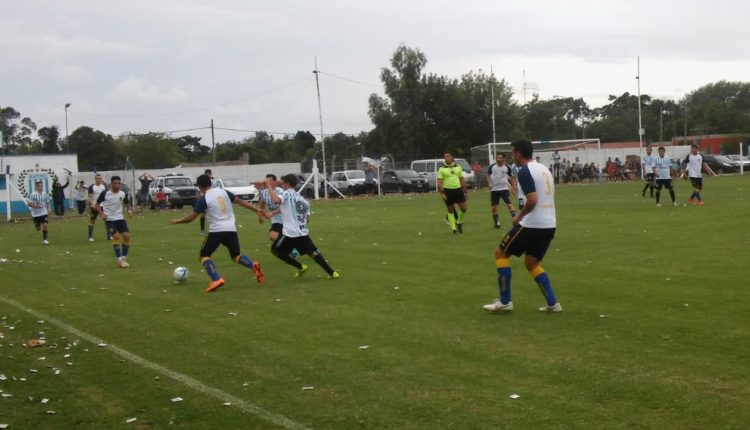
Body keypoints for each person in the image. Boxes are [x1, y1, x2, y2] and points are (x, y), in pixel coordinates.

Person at [483, 139, 562, 313]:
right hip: (549, 223)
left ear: (518, 153)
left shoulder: (525, 171)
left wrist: (519, 216)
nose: (512, 156)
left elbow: (533, 199)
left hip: (532, 224)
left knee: (500, 253)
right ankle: (553, 303)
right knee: (531, 262)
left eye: (513, 153)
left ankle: (505, 301)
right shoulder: (544, 169)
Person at [170, 174, 265, 292]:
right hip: (231, 229)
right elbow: (240, 202)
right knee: (236, 255)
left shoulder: (204, 198)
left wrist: (177, 221)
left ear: (199, 186)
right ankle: (253, 265)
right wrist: (257, 210)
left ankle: (216, 279)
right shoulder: (223, 192)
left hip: (216, 230)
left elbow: (191, 218)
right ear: (210, 182)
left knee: (204, 256)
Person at [265, 174, 339, 279]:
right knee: (313, 253)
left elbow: (276, 200)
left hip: (290, 234)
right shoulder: (302, 199)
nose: (282, 186)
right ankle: (332, 273)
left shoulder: (287, 193)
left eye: (283, 183)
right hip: (302, 233)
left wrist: (269, 186)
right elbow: (308, 219)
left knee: (275, 251)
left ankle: (300, 267)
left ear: (287, 184)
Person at [95, 176, 133, 268]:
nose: (117, 185)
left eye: (118, 183)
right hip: (109, 219)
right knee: (116, 236)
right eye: (115, 183)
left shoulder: (122, 193)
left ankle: (123, 258)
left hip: (120, 218)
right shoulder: (105, 193)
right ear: (111, 184)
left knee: (127, 237)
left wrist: (129, 210)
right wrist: (102, 214)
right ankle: (119, 259)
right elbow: (97, 205)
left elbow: (127, 203)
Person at [437, 151, 468, 234]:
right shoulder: (442, 168)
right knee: (450, 210)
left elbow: (461, 179)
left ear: (452, 157)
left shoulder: (458, 167)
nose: (446, 158)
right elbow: (439, 181)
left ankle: (459, 222)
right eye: (445, 157)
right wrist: (442, 193)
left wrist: (465, 190)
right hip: (447, 191)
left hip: (458, 190)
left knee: (464, 208)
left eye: (448, 156)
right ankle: (454, 229)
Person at [487, 153, 517, 229]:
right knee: (494, 208)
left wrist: (513, 188)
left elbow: (512, 177)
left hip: (504, 189)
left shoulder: (507, 167)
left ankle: (516, 221)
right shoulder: (492, 167)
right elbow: (488, 175)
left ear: (504, 159)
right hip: (494, 190)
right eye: (497, 158)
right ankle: (497, 223)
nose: (498, 159)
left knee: (509, 205)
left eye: (500, 158)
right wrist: (490, 183)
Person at [26, 181, 51, 245]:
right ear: (36, 186)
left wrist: (49, 208)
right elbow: (29, 204)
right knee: (38, 228)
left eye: (42, 185)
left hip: (43, 212)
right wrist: (36, 206)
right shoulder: (33, 195)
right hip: (35, 214)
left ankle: (45, 240)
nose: (41, 187)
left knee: (45, 225)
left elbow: (48, 202)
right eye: (39, 185)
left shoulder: (45, 194)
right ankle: (37, 226)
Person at [87, 173, 110, 241]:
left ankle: (109, 235)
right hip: (94, 206)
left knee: (106, 220)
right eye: (97, 178)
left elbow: (106, 196)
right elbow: (90, 197)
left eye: (100, 178)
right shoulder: (92, 187)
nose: (98, 180)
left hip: (103, 206)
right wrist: (91, 204)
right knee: (92, 221)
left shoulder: (104, 187)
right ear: (95, 179)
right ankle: (90, 236)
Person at [199, 168, 214, 234]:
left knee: (213, 214)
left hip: (212, 199)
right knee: (202, 215)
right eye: (206, 175)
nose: (208, 176)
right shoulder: (202, 181)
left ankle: (214, 228)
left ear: (210, 175)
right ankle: (202, 229)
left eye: (209, 175)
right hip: (204, 199)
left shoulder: (213, 181)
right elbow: (199, 191)